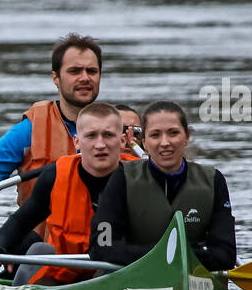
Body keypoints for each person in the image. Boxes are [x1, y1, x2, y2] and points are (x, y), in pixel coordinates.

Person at [0, 103, 141, 286]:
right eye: (91, 135)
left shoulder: (143, 177)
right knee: (39, 248)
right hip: (64, 272)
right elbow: (20, 221)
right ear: (77, 142)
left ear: (122, 141)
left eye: (108, 135)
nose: (100, 144)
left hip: (118, 270)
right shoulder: (55, 175)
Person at [0, 33, 104, 215]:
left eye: (92, 71)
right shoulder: (29, 131)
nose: (85, 78)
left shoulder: (120, 129)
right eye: (75, 71)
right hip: (42, 239)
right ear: (56, 78)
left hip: (104, 236)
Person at [88, 100, 236, 271]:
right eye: (155, 135)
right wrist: (163, 256)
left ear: (186, 136)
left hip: (192, 277)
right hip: (131, 276)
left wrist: (183, 258)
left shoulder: (213, 180)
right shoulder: (121, 178)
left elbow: (225, 254)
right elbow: (100, 246)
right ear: (144, 141)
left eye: (173, 133)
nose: (165, 142)